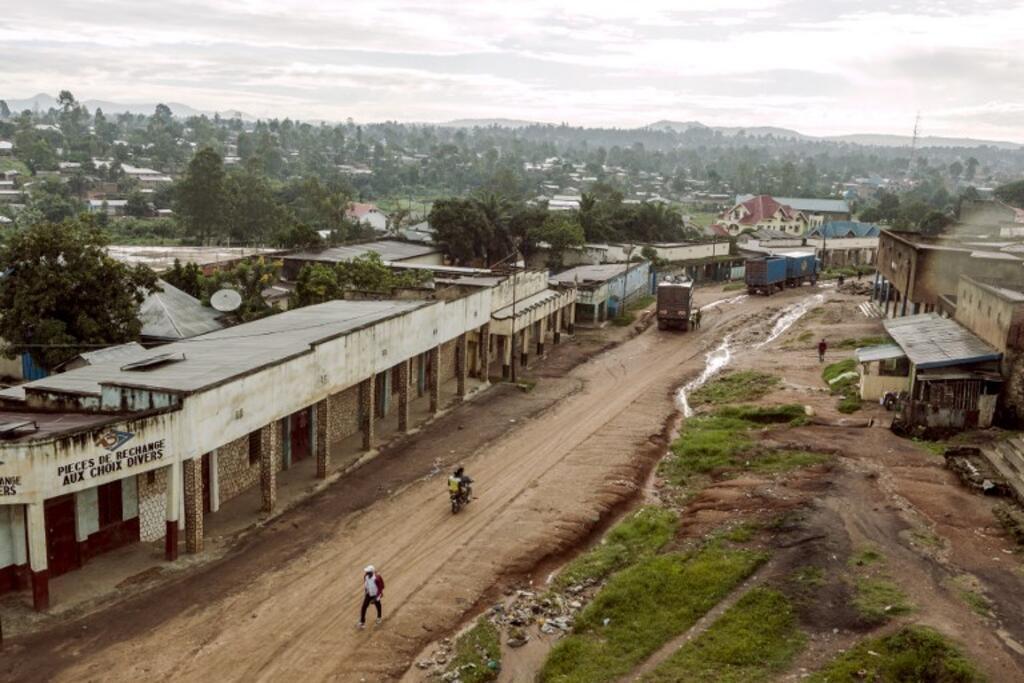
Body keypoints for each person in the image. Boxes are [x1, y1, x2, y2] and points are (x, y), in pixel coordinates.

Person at [358, 565, 384, 629]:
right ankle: (362, 622)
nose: (366, 573)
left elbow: (381, 588)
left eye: (368, 572)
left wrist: (376, 598)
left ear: (372, 572)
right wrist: (366, 592)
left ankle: (379, 617)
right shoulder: (366, 576)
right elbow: (366, 585)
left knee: (378, 606)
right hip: (369, 594)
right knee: (364, 607)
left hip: (376, 594)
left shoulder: (377, 578)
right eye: (366, 572)